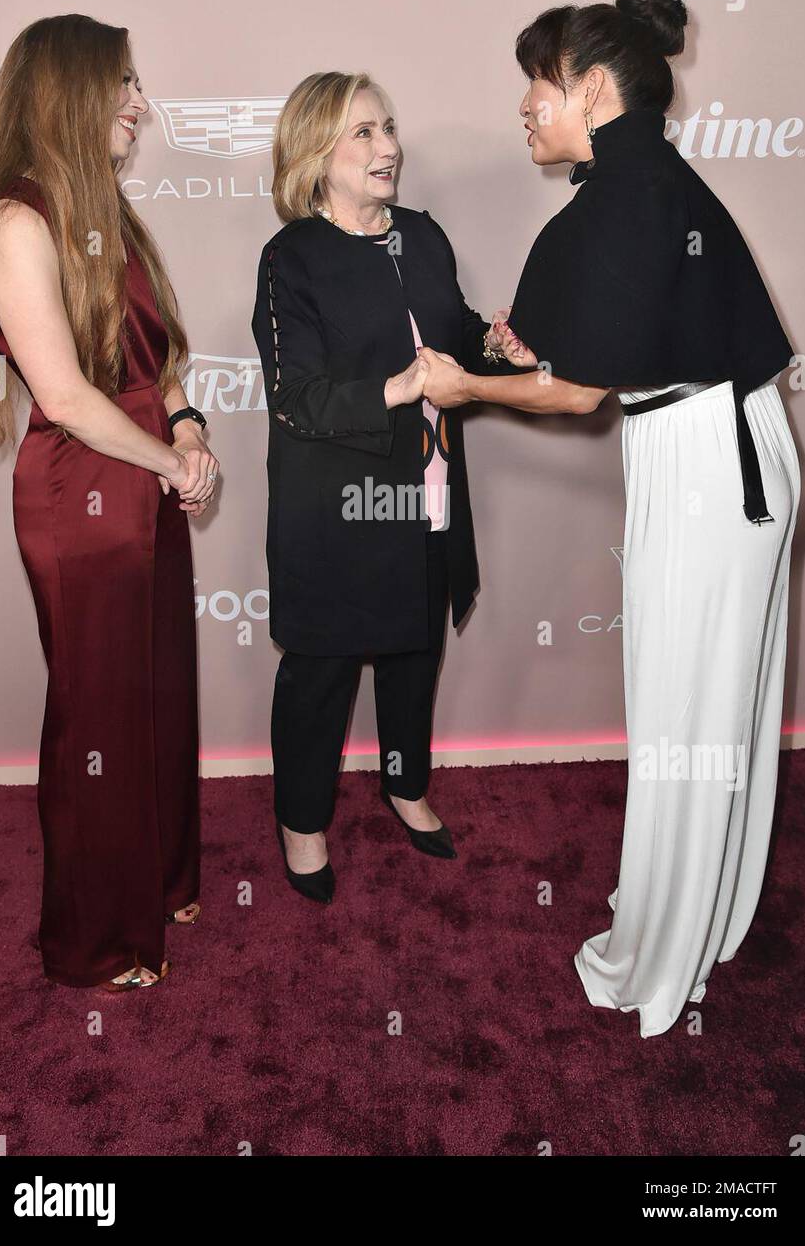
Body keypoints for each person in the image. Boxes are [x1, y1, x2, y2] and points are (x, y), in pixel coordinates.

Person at [420, 0, 800, 1037]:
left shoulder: (624, 199)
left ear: (589, 87)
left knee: (688, 715)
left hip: (706, 458)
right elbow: (588, 345)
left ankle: (658, 960)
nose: (523, 110)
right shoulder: (635, 187)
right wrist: (516, 352)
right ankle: (701, 919)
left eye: (534, 88)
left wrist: (465, 388)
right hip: (716, 445)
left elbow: (577, 391)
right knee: (708, 711)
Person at [251, 71, 587, 903]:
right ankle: (301, 824)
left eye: (388, 127)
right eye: (362, 133)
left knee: (412, 653)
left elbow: (453, 332)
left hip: (428, 491)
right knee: (322, 672)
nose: (388, 147)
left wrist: (493, 345)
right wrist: (397, 389)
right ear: (313, 152)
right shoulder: (291, 257)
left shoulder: (422, 235)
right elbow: (296, 396)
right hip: (336, 513)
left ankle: (405, 787)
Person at [0, 15, 219, 989]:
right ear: (71, 91)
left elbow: (169, 355)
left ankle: (158, 878)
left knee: (154, 688)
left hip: (146, 470)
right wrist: (165, 457)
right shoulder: (14, 219)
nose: (139, 103)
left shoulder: (104, 206)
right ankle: (98, 935)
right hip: (83, 493)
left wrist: (188, 432)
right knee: (99, 716)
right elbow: (66, 396)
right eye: (122, 85)